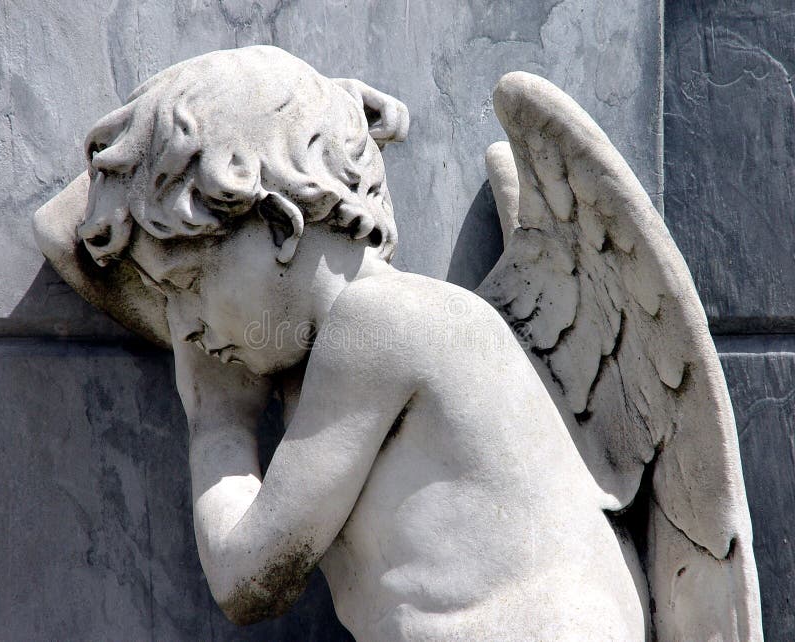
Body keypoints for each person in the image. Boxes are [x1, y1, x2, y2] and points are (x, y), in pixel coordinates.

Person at [36, 46, 646, 640]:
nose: (185, 328)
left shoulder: (381, 324)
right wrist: (312, 117)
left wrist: (219, 422)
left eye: (189, 284)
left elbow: (246, 579)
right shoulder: (328, 349)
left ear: (280, 227)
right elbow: (64, 232)